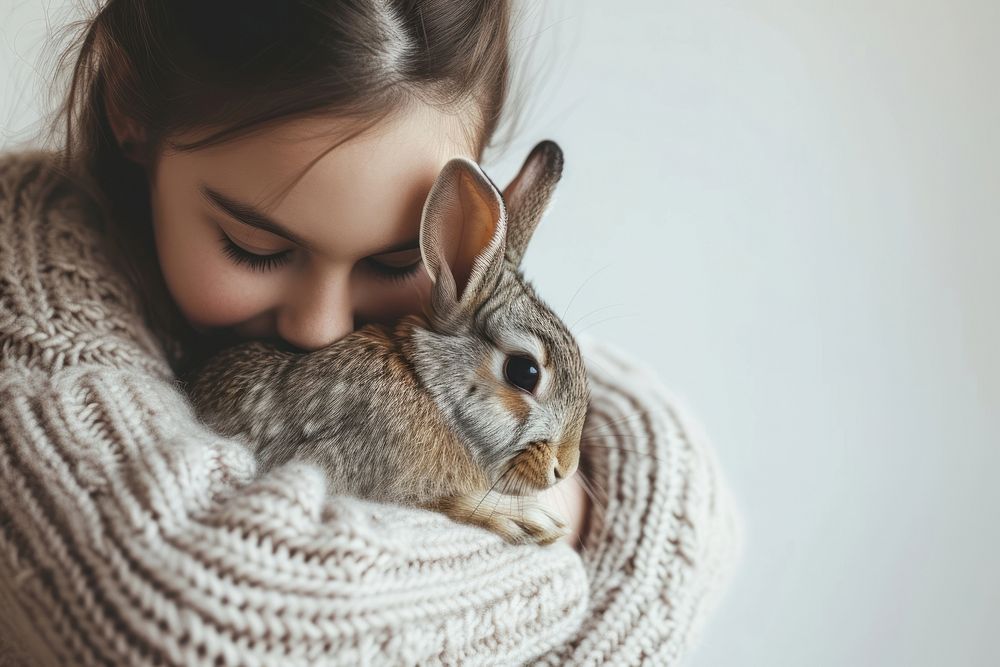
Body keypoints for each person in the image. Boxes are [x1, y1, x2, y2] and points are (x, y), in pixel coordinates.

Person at [0, 1, 743, 664]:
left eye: (395, 261)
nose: (322, 328)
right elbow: (186, 623)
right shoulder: (24, 288)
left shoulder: (441, 325)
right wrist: (553, 566)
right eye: (256, 247)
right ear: (129, 104)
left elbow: (681, 501)